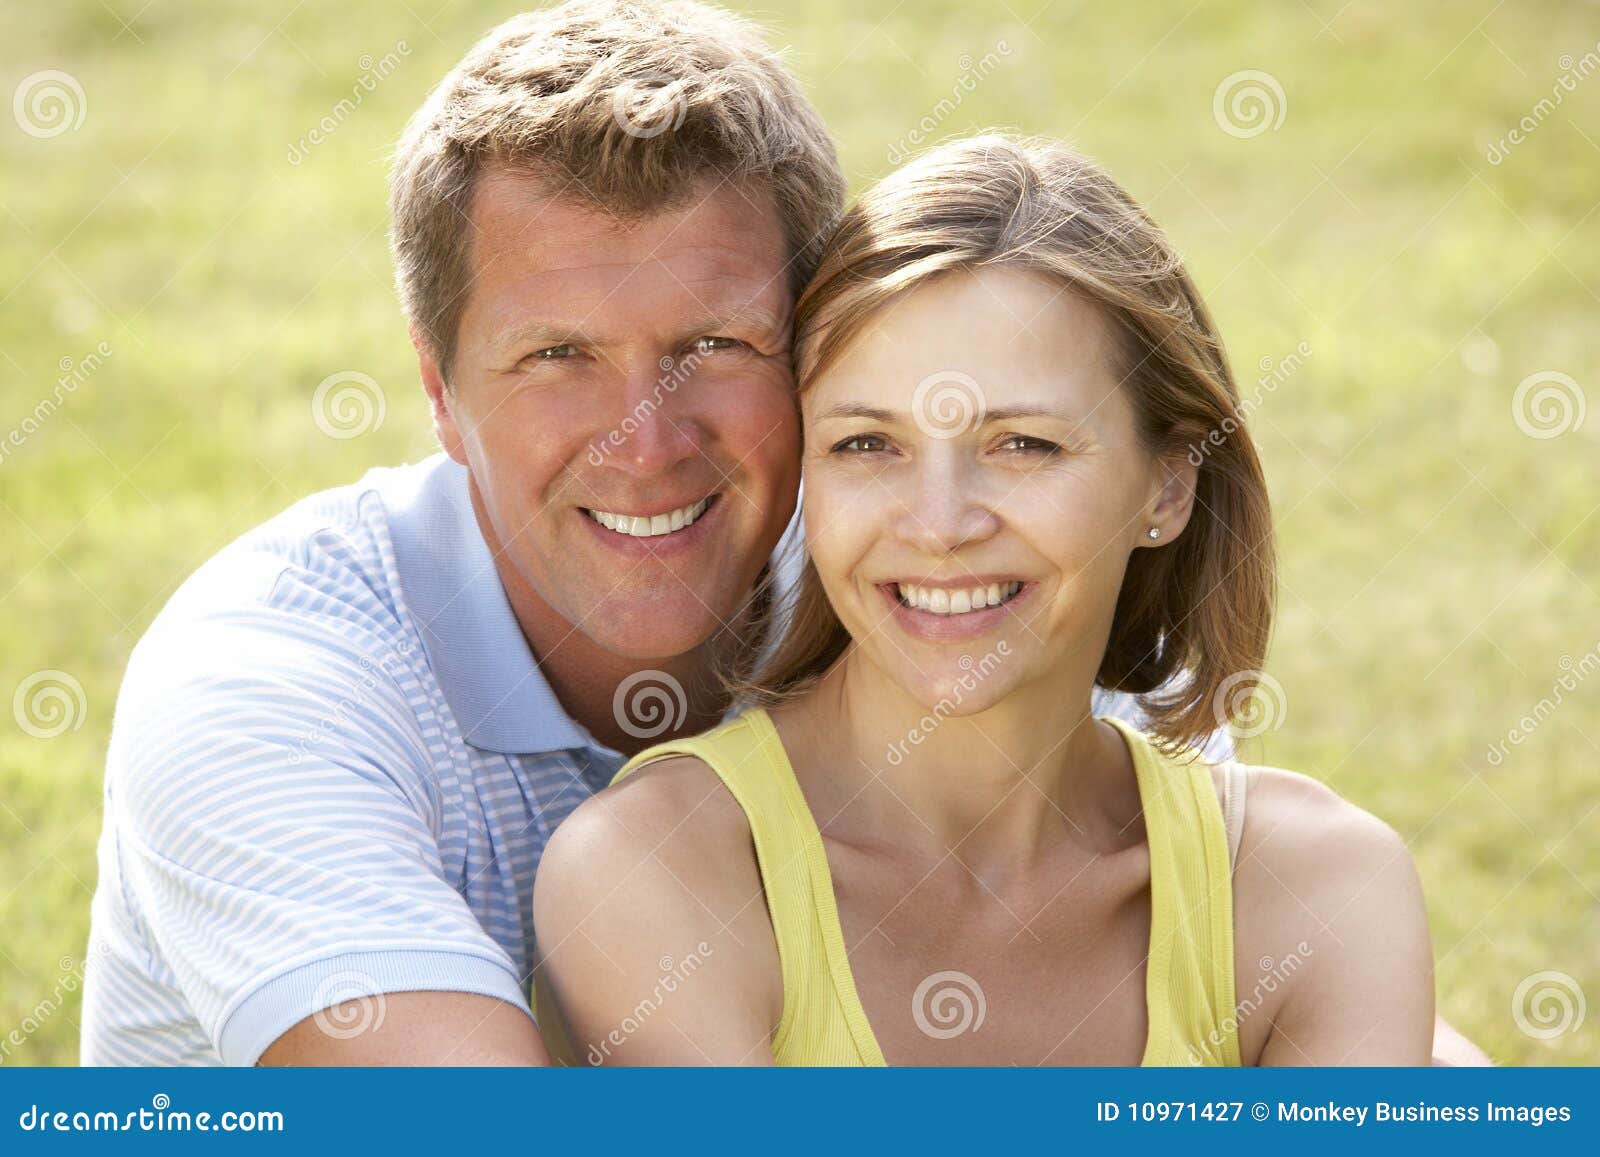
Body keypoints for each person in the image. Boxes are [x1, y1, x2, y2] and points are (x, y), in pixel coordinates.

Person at [79, 0, 1481, 1067]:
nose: (648, 437)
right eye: (558, 353)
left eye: (716, 344)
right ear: (439, 394)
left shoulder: (944, 581)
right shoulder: (267, 690)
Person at [532, 134, 1437, 1065]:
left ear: (1169, 485)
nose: (939, 524)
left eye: (1024, 445)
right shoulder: (658, 871)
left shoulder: (1317, 888)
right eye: (866, 445)